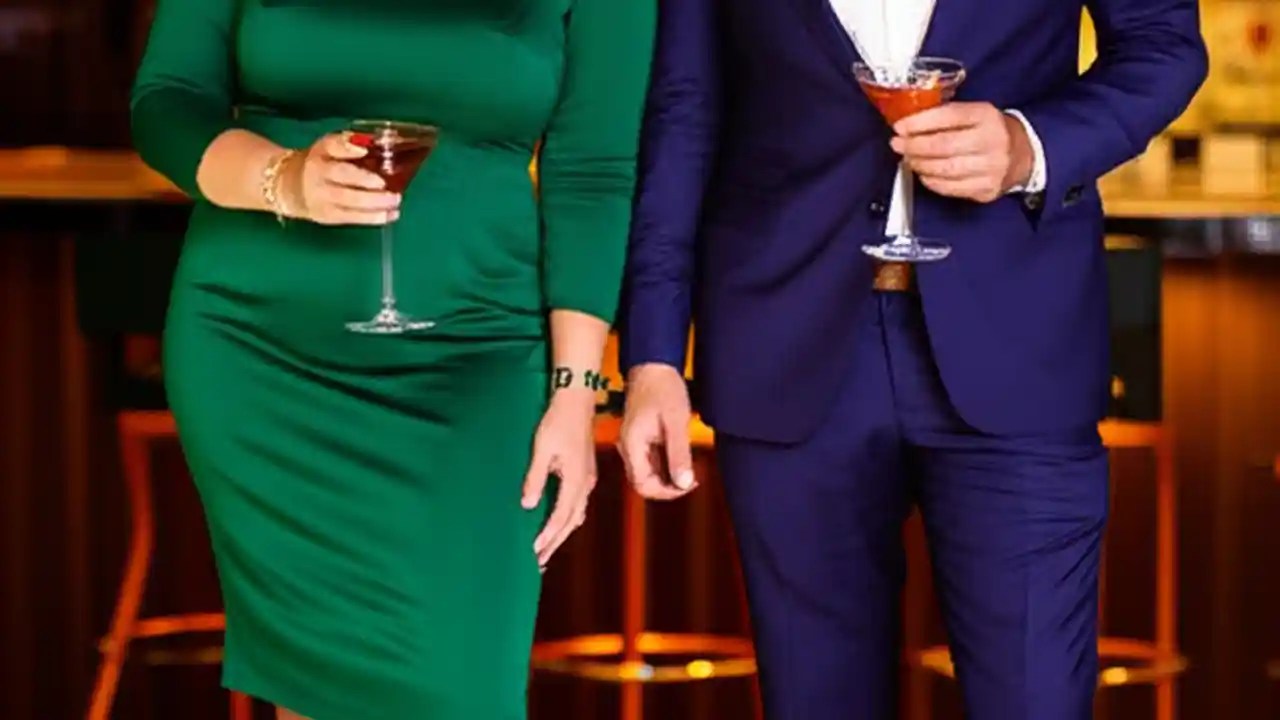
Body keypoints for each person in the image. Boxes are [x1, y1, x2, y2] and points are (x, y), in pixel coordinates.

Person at [618, 0, 1205, 717]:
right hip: (782, 335)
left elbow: (1162, 45)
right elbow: (684, 111)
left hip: (1019, 336)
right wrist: (652, 352)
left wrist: (1030, 145)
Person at [130, 0, 653, 717]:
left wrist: (575, 387)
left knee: (462, 686)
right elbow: (167, 100)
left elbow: (595, 168)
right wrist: (283, 177)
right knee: (317, 690)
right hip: (264, 350)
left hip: (479, 358)